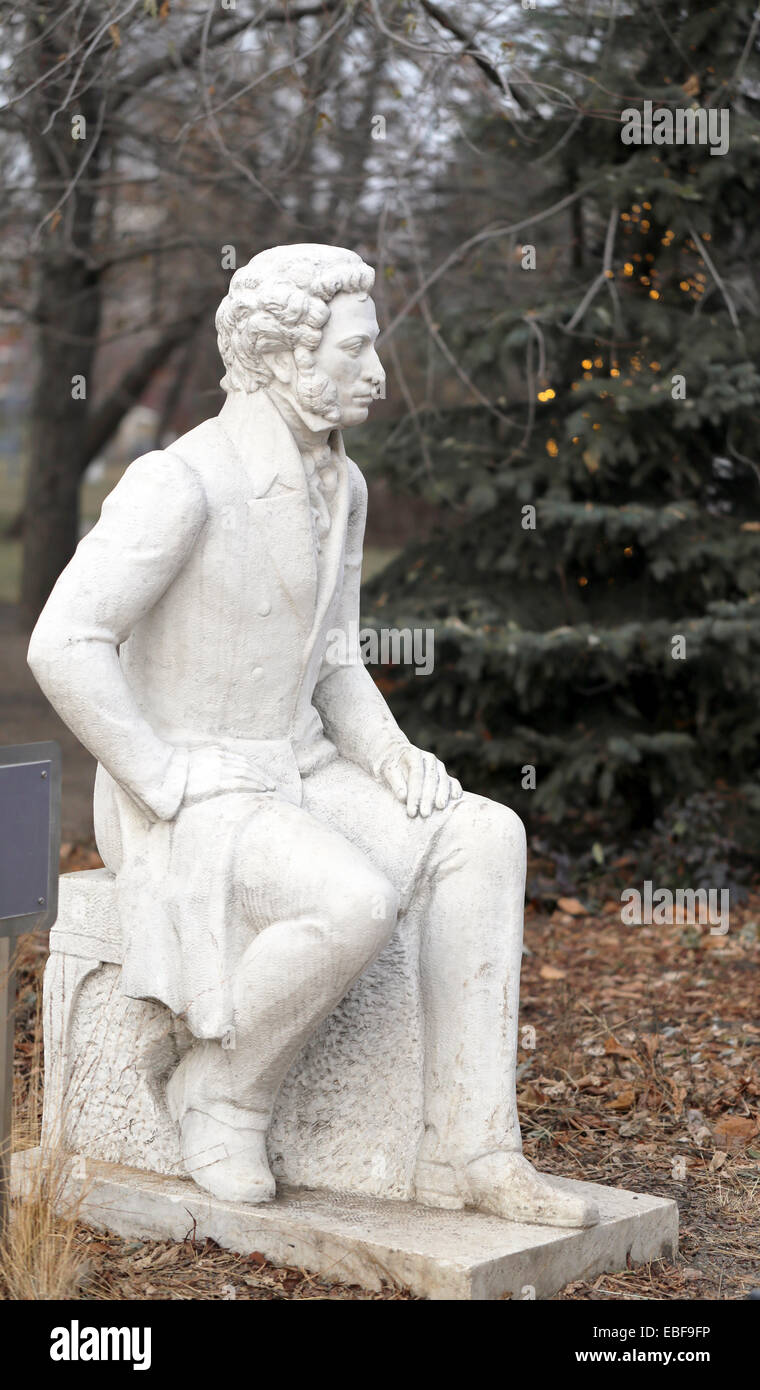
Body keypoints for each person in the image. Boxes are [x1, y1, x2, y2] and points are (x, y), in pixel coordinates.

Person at [28, 244, 597, 1228]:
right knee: (351, 899)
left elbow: (333, 659)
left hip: (301, 767)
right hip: (192, 793)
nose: (377, 375)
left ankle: (474, 1150)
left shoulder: (344, 485)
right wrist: (160, 774)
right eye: (356, 351)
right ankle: (222, 1088)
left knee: (481, 835)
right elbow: (64, 641)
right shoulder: (183, 481)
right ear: (284, 357)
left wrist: (390, 755)